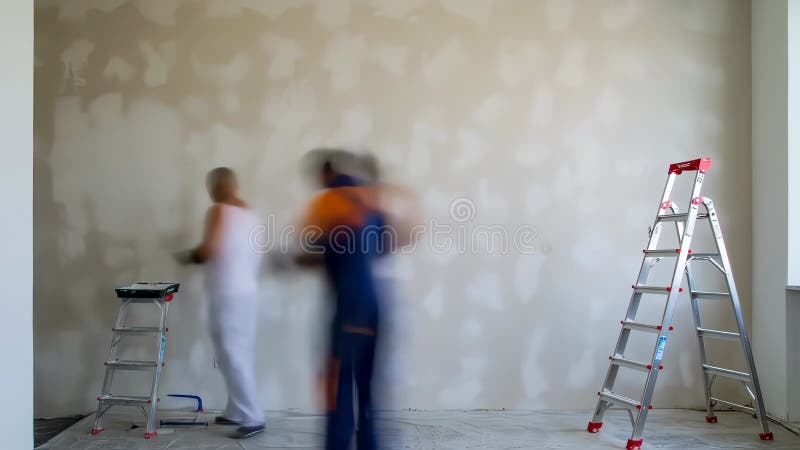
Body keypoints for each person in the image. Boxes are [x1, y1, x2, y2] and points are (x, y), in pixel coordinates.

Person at [297, 150, 419, 450]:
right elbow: (391, 244)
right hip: (373, 308)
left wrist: (291, 261)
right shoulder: (372, 203)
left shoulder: (328, 202)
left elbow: (314, 251)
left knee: (337, 391)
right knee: (367, 392)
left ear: (327, 173)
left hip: (346, 309)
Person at [190, 167, 265, 439]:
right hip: (248, 293)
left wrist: (192, 256)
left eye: (212, 187)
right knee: (238, 352)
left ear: (218, 187)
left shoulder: (219, 210)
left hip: (227, 294)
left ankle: (253, 415)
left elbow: (210, 249)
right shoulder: (251, 215)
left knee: (231, 353)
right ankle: (236, 409)